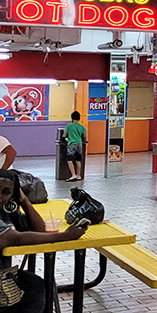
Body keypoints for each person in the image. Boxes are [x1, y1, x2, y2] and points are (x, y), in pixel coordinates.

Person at [0, 169, 88, 312]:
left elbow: (39, 230)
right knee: (34, 292)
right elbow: (13, 238)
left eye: (6, 192)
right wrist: (64, 236)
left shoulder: (6, 210)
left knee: (36, 285)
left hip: (4, 276)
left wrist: (23, 200)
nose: (0, 196)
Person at [63, 111, 87, 182]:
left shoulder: (69, 126)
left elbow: (64, 135)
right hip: (79, 143)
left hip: (71, 144)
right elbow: (84, 136)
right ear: (79, 118)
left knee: (69, 159)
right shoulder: (82, 126)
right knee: (78, 160)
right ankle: (79, 175)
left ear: (72, 118)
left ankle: (73, 175)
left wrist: (67, 137)